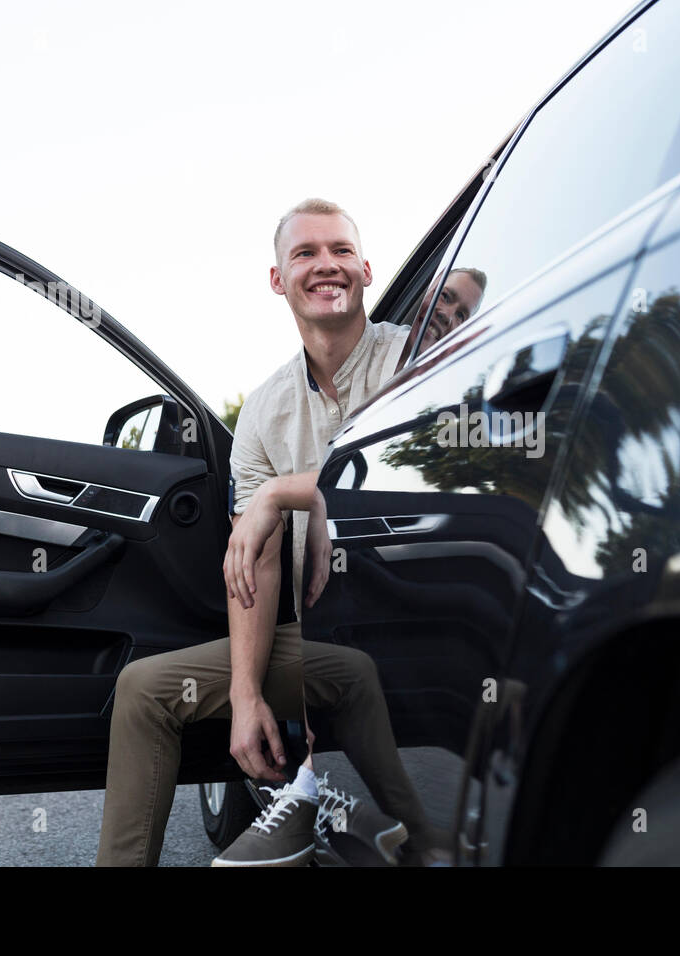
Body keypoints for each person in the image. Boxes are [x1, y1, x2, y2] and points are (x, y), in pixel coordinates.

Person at [95, 198, 444, 867]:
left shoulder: (416, 359)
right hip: (328, 648)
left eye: (340, 250)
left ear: (366, 269)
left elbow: (420, 471)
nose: (326, 265)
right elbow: (251, 563)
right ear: (279, 279)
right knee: (143, 691)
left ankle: (409, 835)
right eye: (305, 253)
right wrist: (248, 694)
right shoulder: (262, 412)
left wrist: (288, 493)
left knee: (365, 672)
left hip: (424, 626)